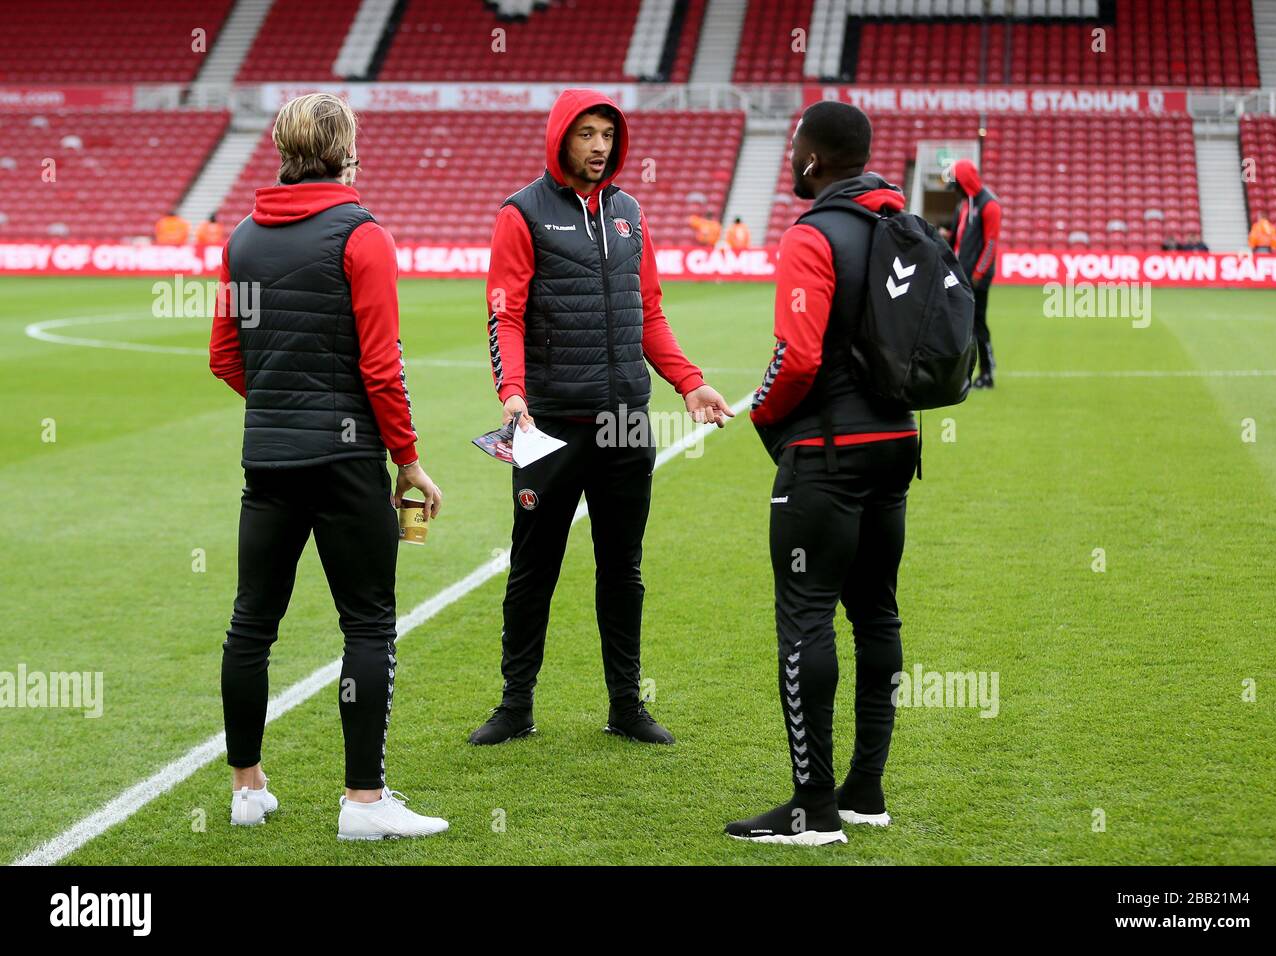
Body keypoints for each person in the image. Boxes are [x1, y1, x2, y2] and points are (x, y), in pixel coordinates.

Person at [209, 93, 448, 841]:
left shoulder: (243, 238)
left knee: (252, 625)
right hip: (346, 462)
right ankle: (364, 804)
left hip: (270, 458)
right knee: (368, 624)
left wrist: (284, 401)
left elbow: (224, 356)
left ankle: (247, 789)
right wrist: (407, 461)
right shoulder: (362, 234)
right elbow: (382, 365)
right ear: (344, 150)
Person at [475, 89, 734, 746]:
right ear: (561, 137)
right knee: (535, 567)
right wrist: (513, 391)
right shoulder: (521, 214)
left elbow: (648, 312)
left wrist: (689, 382)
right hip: (550, 427)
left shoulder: (629, 214)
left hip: (627, 425)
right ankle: (515, 706)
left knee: (624, 568)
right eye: (585, 134)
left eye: (606, 136)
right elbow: (504, 312)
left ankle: (626, 705)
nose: (598, 147)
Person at [725, 100, 919, 846]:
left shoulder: (812, 234)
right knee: (877, 613)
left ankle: (813, 808)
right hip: (898, 442)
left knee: (807, 618)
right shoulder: (903, 227)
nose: (790, 161)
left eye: (796, 149)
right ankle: (866, 789)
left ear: (814, 158)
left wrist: (764, 416)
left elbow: (796, 358)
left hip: (827, 455)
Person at [949, 159, 1001, 388]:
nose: (954, 190)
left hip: (976, 278)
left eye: (956, 184)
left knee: (977, 324)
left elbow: (991, 243)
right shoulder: (965, 204)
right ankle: (966, 374)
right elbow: (959, 237)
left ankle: (987, 372)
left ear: (964, 182)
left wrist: (979, 273)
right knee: (964, 325)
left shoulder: (989, 205)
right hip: (963, 274)